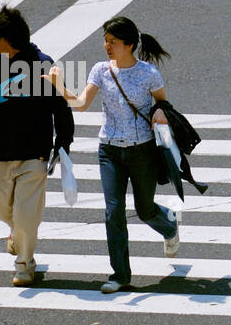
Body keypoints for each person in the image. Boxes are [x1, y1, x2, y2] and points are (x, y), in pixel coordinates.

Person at [48, 16, 179, 294]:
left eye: (113, 42)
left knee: (145, 210)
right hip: (108, 150)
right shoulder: (100, 70)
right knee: (113, 212)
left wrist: (160, 111)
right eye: (105, 40)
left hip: (142, 150)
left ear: (129, 45)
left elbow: (164, 103)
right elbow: (82, 104)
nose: (107, 45)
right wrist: (59, 86)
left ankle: (169, 225)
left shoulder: (148, 74)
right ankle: (120, 275)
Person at [0, 5, 74, 287]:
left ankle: (24, 265)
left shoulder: (42, 65)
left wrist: (63, 143)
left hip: (33, 154)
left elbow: (60, 107)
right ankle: (15, 233)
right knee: (1, 206)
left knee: (26, 216)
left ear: (6, 39)